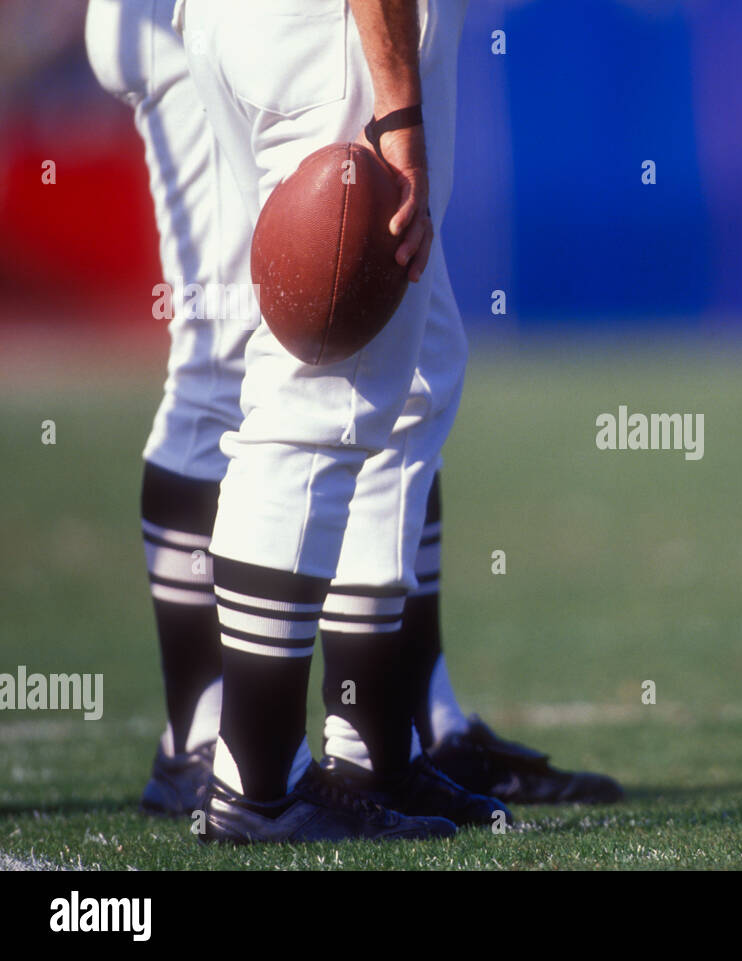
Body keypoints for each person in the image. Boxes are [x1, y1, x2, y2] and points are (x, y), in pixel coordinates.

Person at [85, 0, 619, 844]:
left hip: (255, 29)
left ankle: (373, 744)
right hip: (330, 33)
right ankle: (255, 782)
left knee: (410, 372)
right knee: (317, 390)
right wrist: (398, 102)